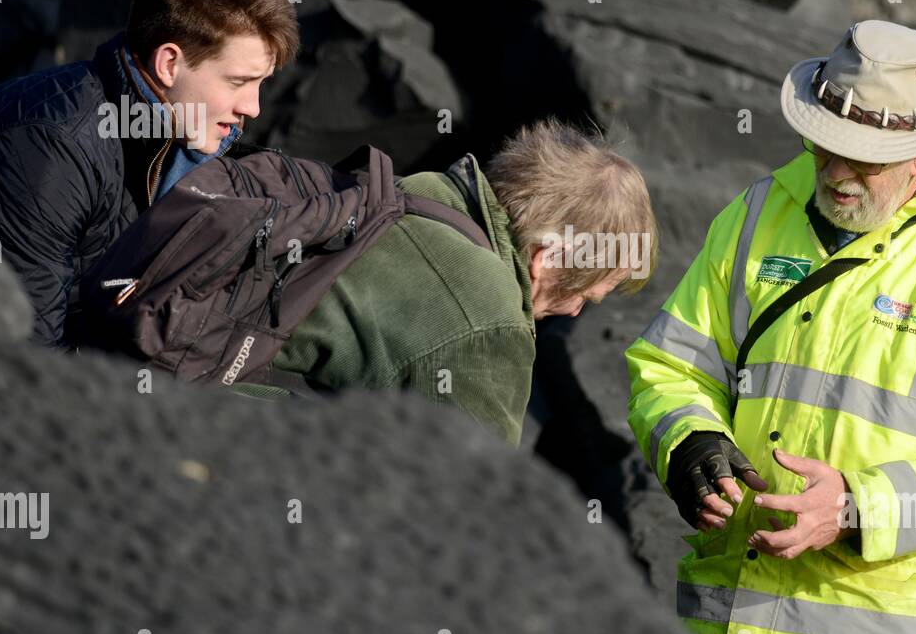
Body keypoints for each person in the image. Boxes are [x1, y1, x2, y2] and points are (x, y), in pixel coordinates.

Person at [626, 20, 916, 634]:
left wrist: (858, 508)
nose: (834, 172)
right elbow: (670, 363)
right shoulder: (756, 213)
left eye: (863, 158)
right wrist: (690, 442)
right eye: (824, 145)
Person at [0, 0, 299, 345]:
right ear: (169, 63)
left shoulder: (189, 131)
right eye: (238, 81)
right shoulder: (47, 154)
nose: (254, 108)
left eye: (260, 84)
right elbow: (26, 355)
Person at [246, 118, 658, 446]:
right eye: (584, 295)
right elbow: (476, 502)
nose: (573, 310)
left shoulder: (421, 192)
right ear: (548, 259)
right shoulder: (488, 329)